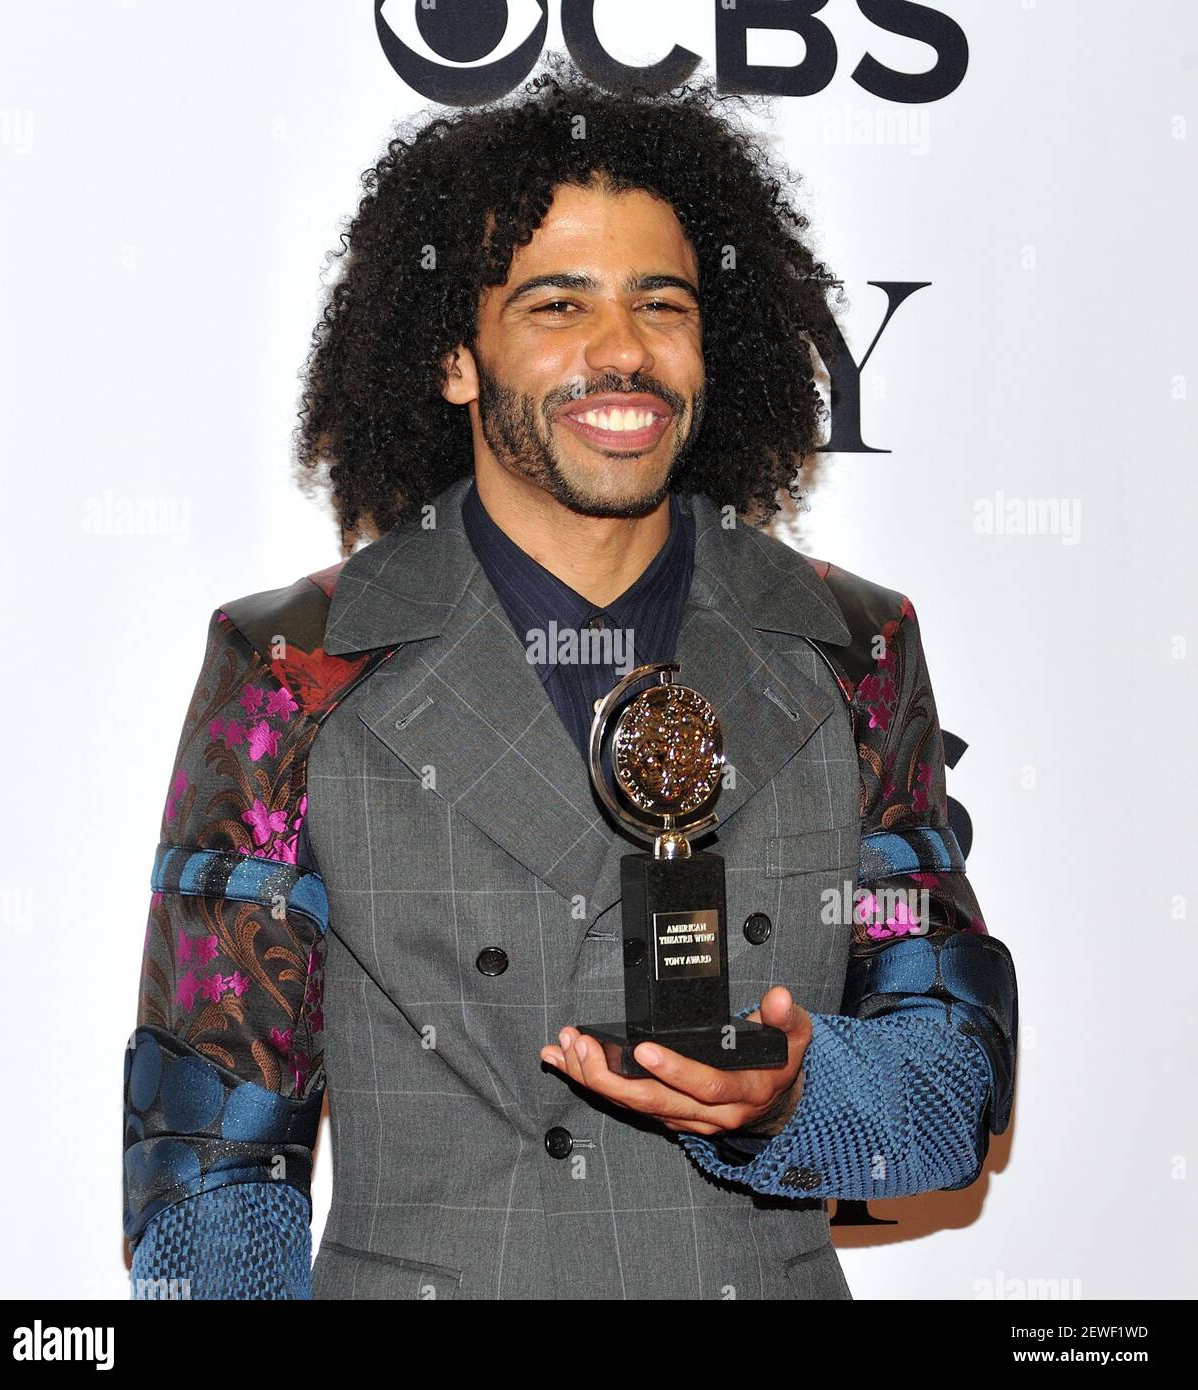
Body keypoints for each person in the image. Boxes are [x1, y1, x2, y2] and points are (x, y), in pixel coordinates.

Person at [123, 62, 1016, 1301]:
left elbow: (949, 1083)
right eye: (555, 305)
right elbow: (212, 1162)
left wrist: (794, 1099)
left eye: (662, 304)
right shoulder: (295, 665)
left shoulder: (848, 649)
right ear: (452, 357)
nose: (620, 352)